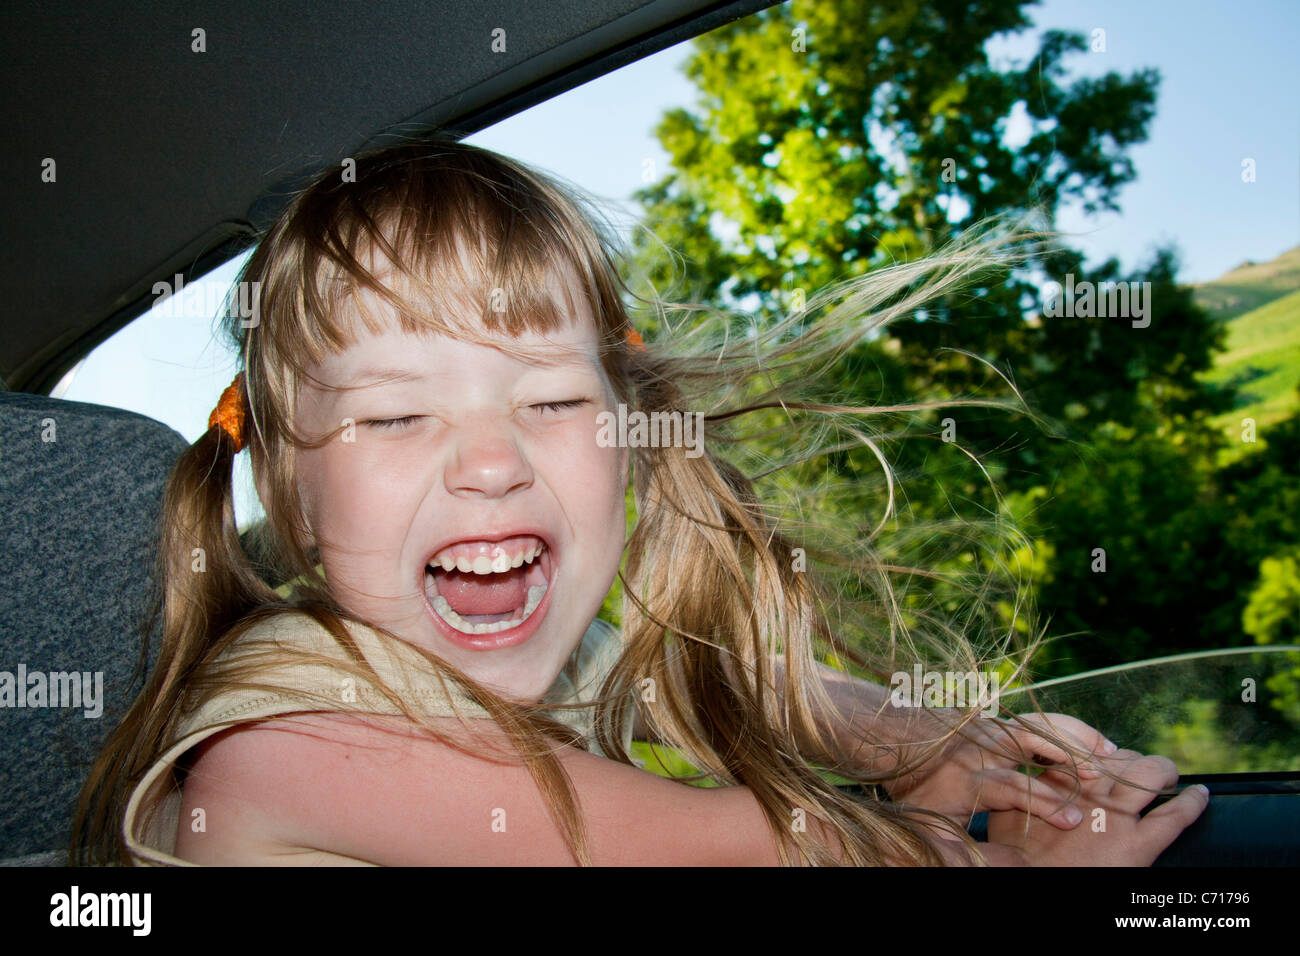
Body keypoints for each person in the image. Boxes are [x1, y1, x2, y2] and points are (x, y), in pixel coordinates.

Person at [72, 139, 1207, 866]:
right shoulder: (294, 739)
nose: (491, 461)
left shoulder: (496, 645)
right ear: (290, 489)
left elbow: (769, 683)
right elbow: (735, 846)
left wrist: (931, 739)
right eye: (395, 415)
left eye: (553, 399)